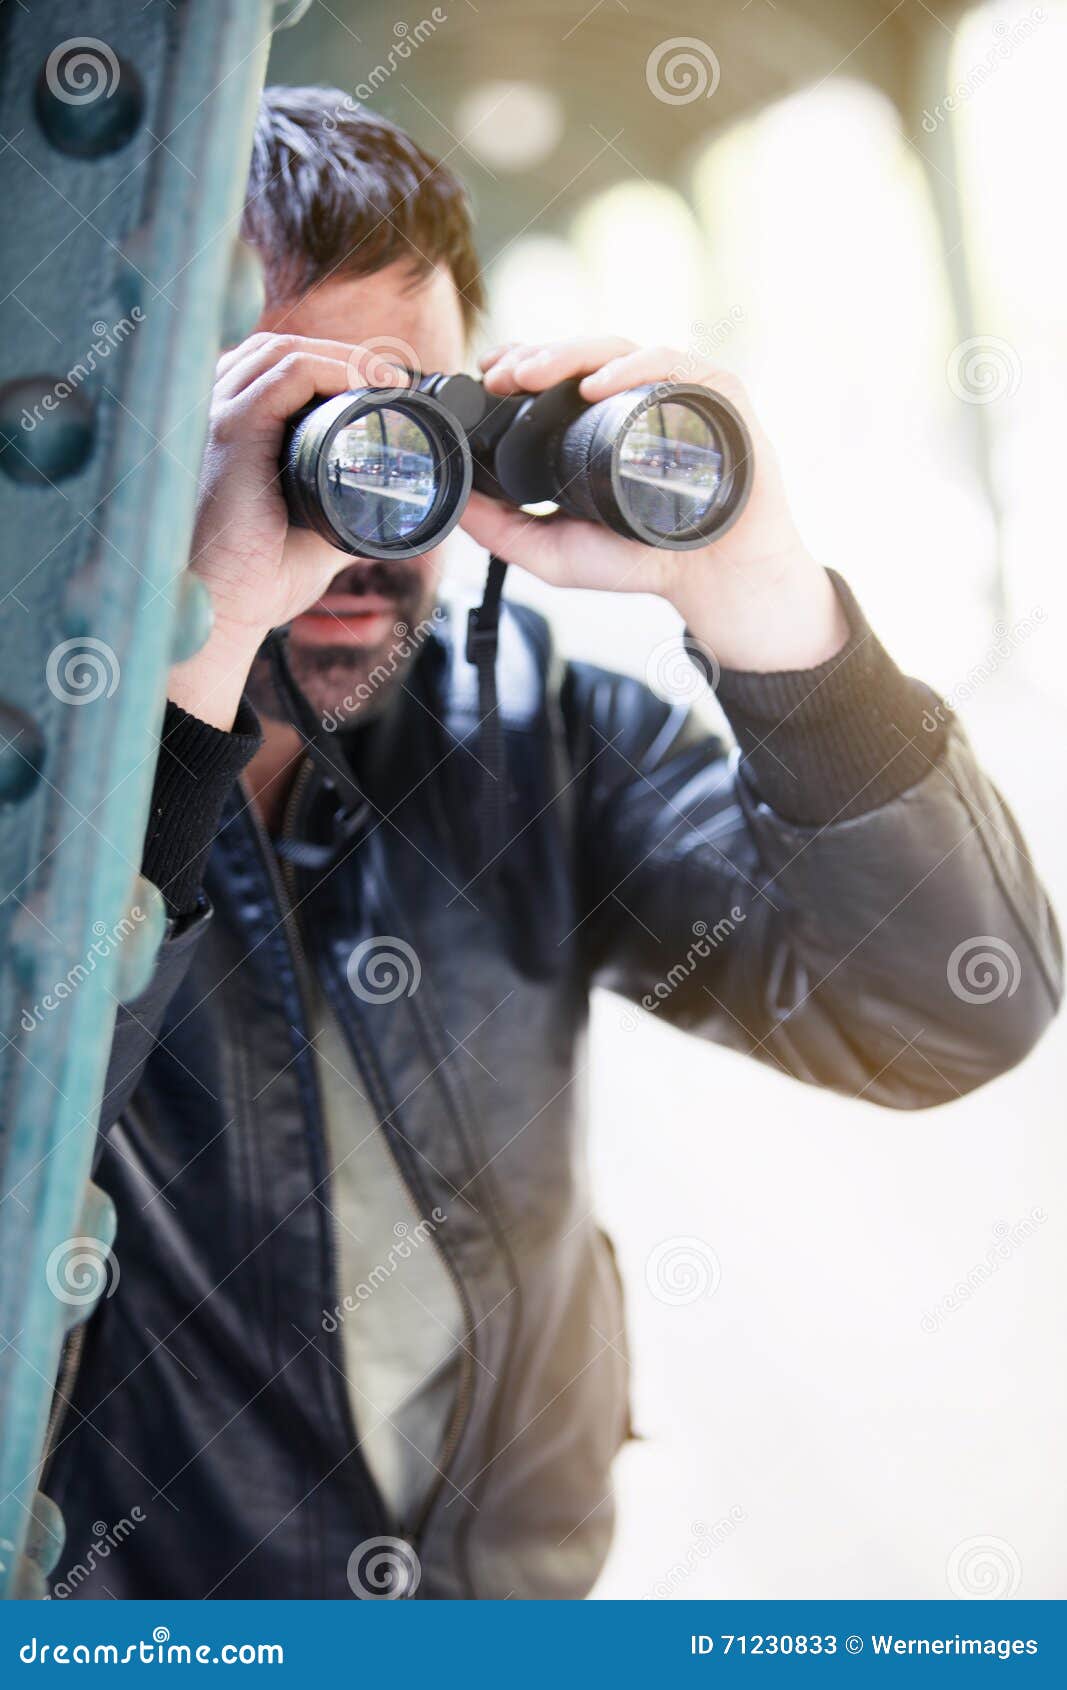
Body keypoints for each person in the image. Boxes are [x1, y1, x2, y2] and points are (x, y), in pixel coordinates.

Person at [44, 86, 1061, 1601]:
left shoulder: (539, 739)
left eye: (402, 432)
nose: (362, 525)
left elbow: (945, 1009)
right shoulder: (33, 785)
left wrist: (758, 590)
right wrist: (198, 645)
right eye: (291, 429)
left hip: (512, 1594)